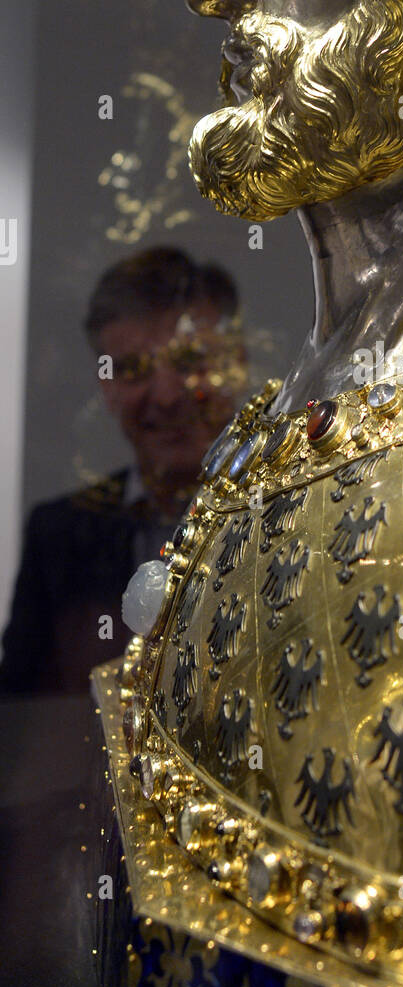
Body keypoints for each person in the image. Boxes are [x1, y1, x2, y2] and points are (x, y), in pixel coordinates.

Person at [0, 246, 246, 694]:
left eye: (190, 361)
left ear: (237, 364)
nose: (169, 395)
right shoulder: (56, 538)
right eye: (133, 370)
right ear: (106, 387)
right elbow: (23, 728)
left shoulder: (278, 508)